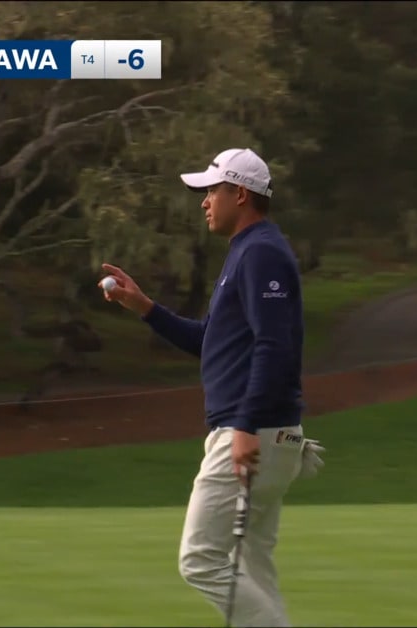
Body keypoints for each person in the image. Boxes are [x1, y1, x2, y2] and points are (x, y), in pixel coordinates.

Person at [99, 148, 324, 627]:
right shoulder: (248, 252)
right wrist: (146, 308)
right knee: (252, 571)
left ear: (239, 194)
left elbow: (273, 345)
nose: (204, 201)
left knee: (199, 559)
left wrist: (245, 425)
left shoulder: (260, 252)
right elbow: (212, 342)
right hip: (266, 431)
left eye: (211, 191)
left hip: (251, 432)